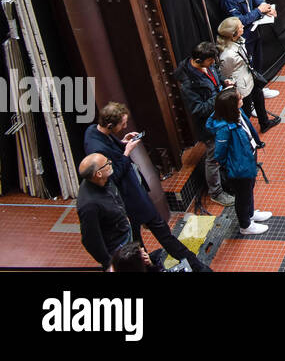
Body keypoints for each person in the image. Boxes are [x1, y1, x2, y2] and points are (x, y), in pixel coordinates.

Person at [84, 102, 210, 271]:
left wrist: (122, 142)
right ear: (109, 125)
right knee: (161, 234)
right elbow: (114, 175)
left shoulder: (94, 131)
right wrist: (127, 151)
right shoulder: (96, 149)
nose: (125, 126)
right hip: (131, 199)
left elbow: (113, 153)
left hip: (131, 198)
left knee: (138, 242)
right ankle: (195, 266)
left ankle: (147, 265)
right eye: (122, 123)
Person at [175, 41, 233, 207]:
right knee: (213, 158)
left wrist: (224, 82)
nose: (213, 63)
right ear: (199, 60)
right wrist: (219, 96)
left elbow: (216, 76)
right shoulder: (188, 84)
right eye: (210, 61)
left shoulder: (207, 66)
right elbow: (197, 109)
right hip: (209, 125)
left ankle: (228, 177)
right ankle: (216, 192)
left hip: (221, 117)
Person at [206, 88, 270, 235]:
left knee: (249, 189)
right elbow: (219, 152)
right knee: (242, 195)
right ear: (231, 106)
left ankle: (251, 213)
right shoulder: (225, 127)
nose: (242, 99)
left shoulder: (236, 115)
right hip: (238, 165)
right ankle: (245, 225)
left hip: (247, 158)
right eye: (239, 99)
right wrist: (229, 164)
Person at [217, 17, 279, 135]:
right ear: (233, 33)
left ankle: (264, 123)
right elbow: (227, 74)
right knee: (245, 112)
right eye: (240, 27)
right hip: (242, 85)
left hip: (249, 77)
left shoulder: (238, 41)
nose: (243, 27)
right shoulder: (227, 55)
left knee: (259, 97)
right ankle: (249, 136)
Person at [218, 0, 278, 73]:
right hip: (242, 37)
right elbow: (238, 21)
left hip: (254, 33)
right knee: (248, 67)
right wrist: (259, 10)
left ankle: (260, 89)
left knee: (258, 62)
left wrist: (268, 7)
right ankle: (255, 90)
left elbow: (258, 0)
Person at [76, 153, 132, 269]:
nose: (110, 163)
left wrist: (125, 217)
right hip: (116, 247)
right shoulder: (89, 205)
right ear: (98, 174)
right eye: (107, 163)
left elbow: (116, 197)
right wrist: (108, 263)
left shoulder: (105, 180)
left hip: (124, 232)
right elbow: (90, 239)